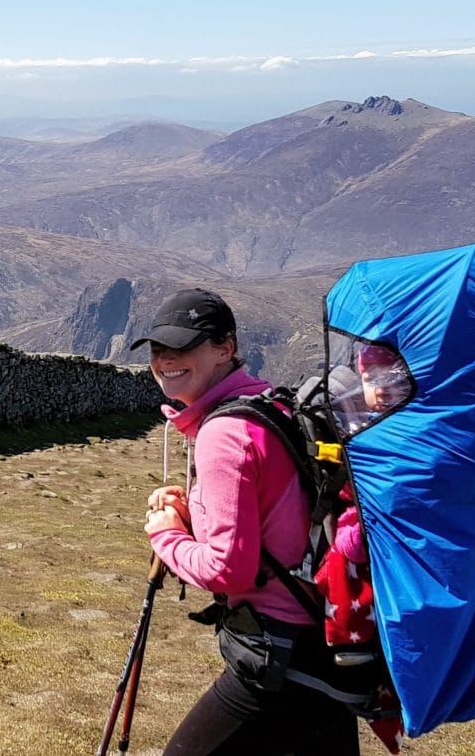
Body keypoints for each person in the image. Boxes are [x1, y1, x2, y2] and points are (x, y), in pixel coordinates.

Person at [135, 288, 363, 755]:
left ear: (226, 347)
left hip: (278, 659)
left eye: (182, 346)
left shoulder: (224, 432)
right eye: (157, 348)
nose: (165, 359)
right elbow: (275, 519)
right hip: (324, 648)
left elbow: (228, 568)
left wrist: (166, 534)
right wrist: (192, 511)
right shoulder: (267, 403)